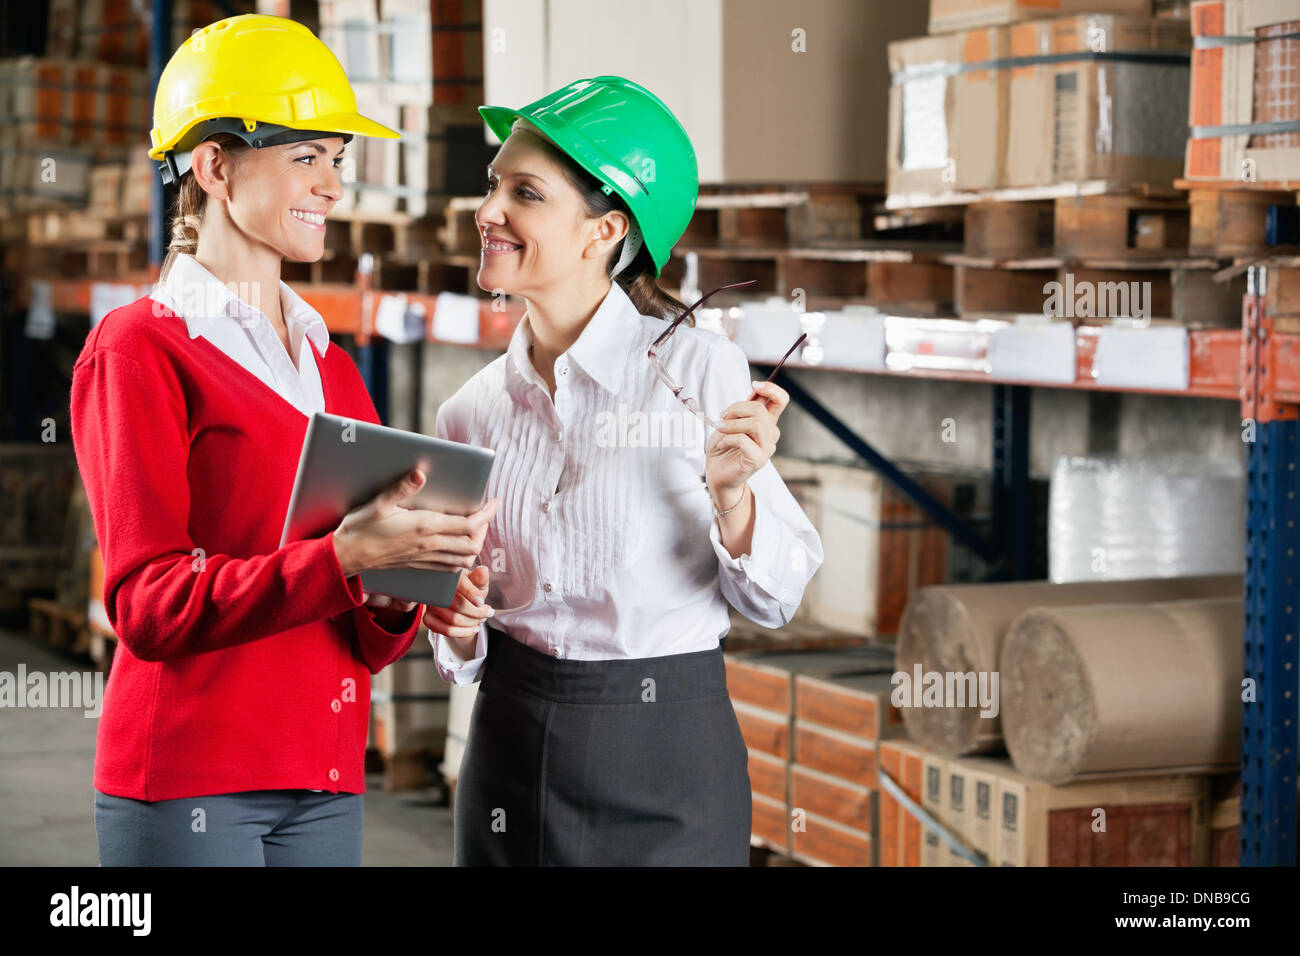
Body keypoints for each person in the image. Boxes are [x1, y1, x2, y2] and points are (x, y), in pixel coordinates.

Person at [69, 14, 498, 866]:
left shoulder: (329, 366)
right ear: (215, 166)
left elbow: (359, 634)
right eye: (307, 157)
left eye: (338, 161)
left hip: (325, 779)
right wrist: (341, 559)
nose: (333, 187)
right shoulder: (141, 347)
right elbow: (148, 605)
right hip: (192, 782)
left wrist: (403, 585)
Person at [421, 76, 825, 866]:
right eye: (493, 184)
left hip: (666, 757)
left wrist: (733, 497)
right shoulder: (469, 414)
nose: (488, 211)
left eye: (524, 192)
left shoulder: (698, 372)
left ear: (603, 229)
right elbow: (460, 645)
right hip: (510, 745)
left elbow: (777, 598)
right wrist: (459, 626)